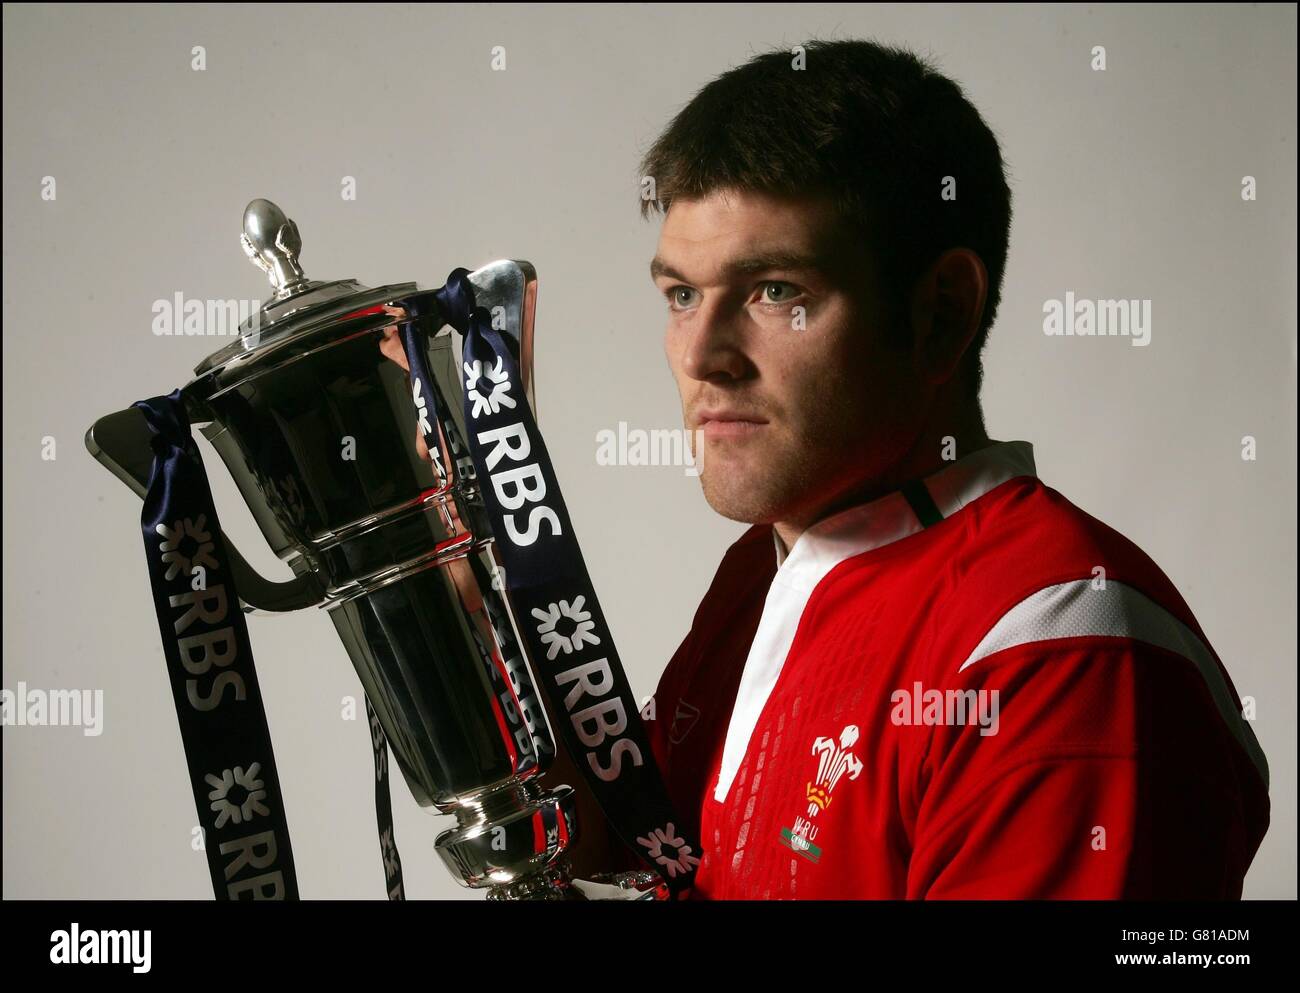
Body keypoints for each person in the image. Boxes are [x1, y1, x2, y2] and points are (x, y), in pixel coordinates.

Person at [543, 37, 1269, 899]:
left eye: (777, 290)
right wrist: (467, 613)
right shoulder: (763, 581)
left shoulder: (1051, 649)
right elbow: (639, 874)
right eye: (682, 294)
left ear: (940, 315)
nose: (703, 355)